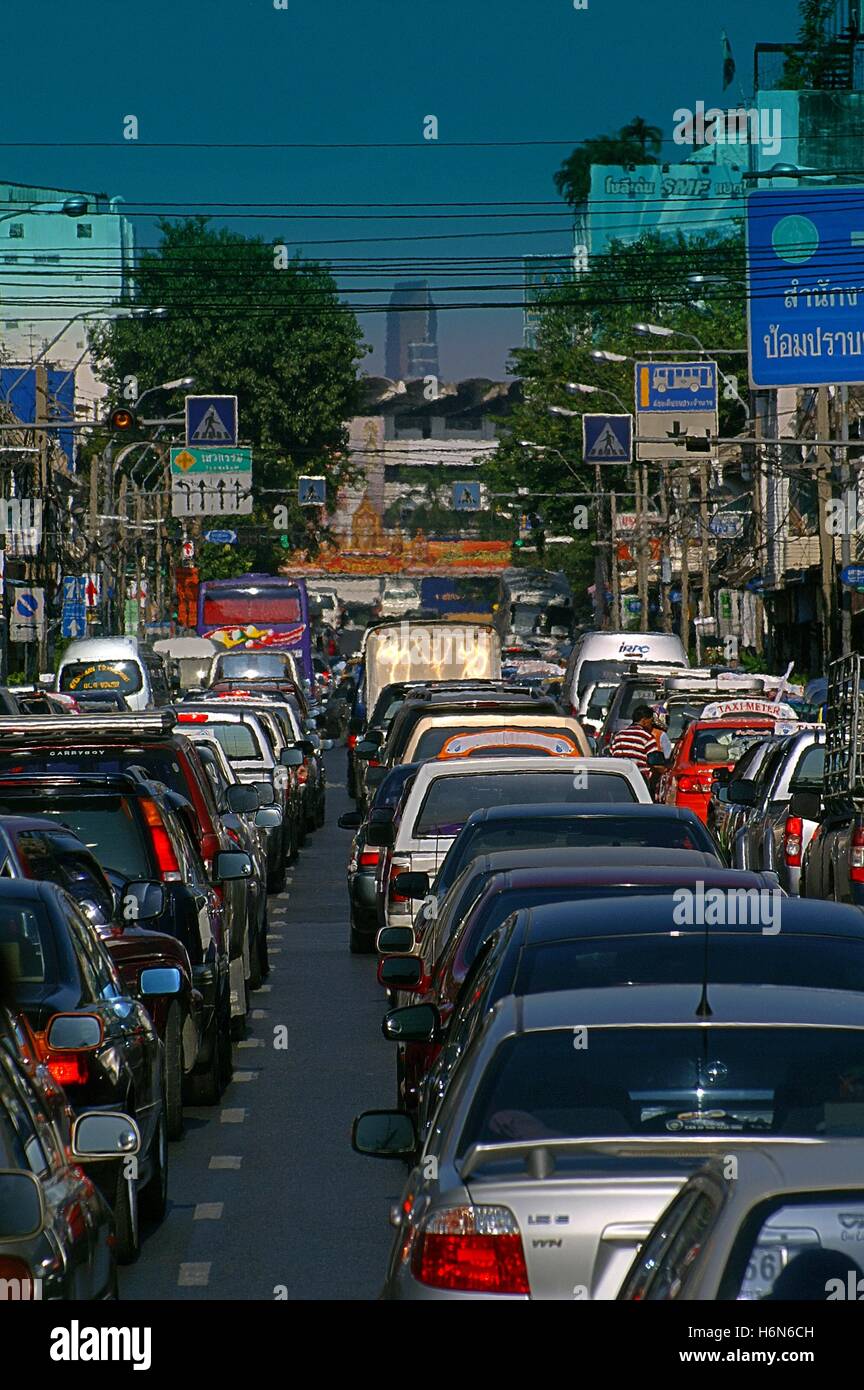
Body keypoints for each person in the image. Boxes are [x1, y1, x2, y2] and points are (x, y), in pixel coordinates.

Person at [607, 703, 660, 777]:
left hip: (619, 777)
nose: (651, 726)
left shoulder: (619, 735)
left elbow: (611, 754)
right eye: (650, 722)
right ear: (644, 721)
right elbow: (655, 764)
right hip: (639, 778)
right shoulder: (648, 737)